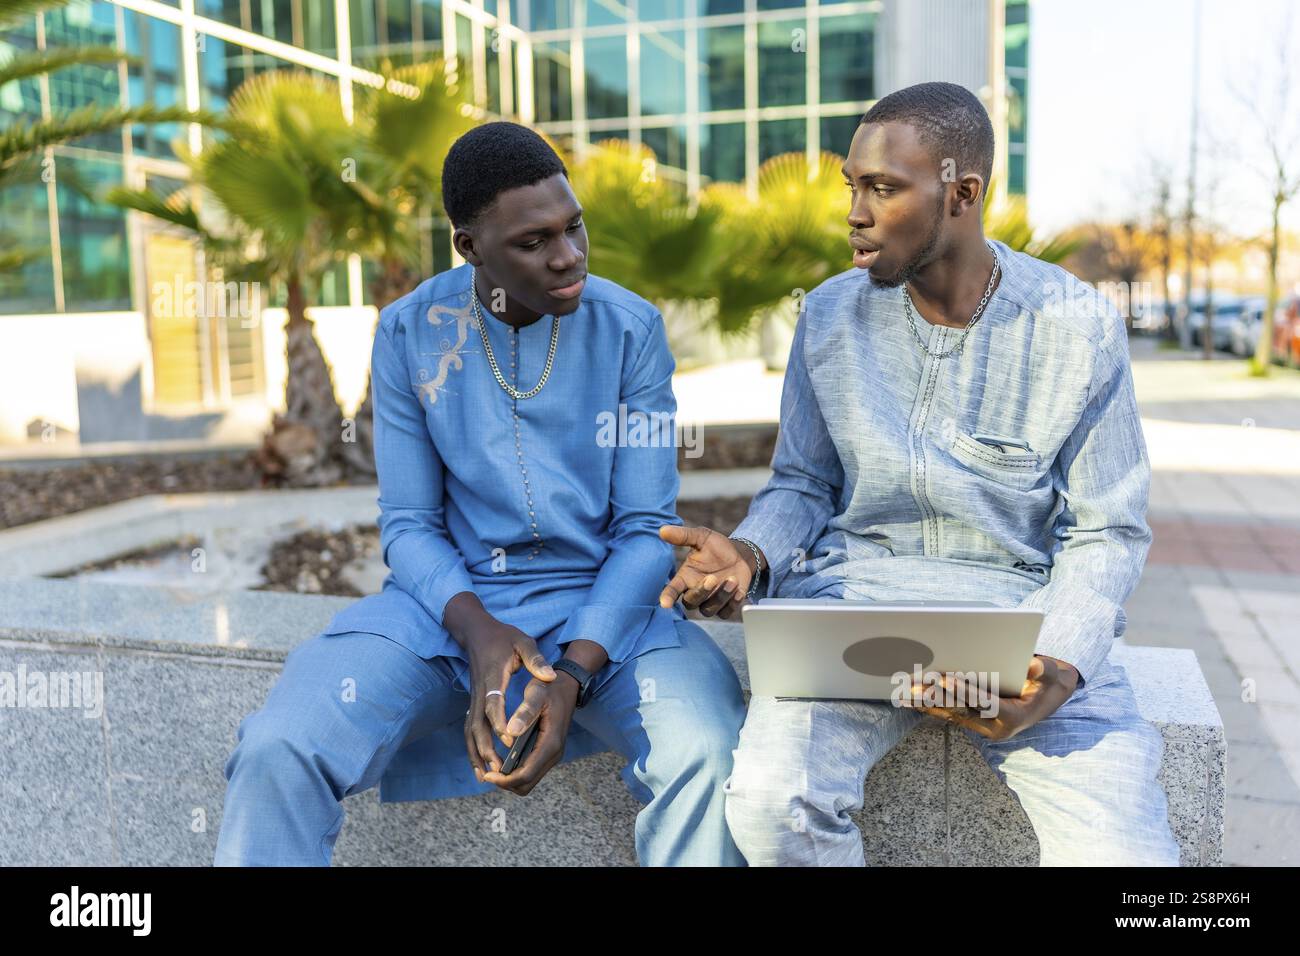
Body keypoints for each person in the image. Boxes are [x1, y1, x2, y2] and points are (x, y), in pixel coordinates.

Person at [659, 82, 1182, 867]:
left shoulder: (1077, 325)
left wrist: (1063, 665)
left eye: (884, 188)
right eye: (853, 187)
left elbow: (1107, 528)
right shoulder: (828, 316)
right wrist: (754, 554)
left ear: (961, 194)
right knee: (771, 805)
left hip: (1026, 621)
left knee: (1129, 862)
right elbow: (803, 483)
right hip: (853, 609)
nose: (855, 214)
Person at [215, 122, 747, 867]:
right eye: (534, 243)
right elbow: (406, 525)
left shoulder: (631, 330)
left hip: (609, 613)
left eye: (574, 228)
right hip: (448, 610)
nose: (568, 257)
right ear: (470, 248)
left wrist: (572, 674)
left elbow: (646, 530)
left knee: (707, 751)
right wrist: (478, 630)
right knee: (279, 746)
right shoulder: (408, 333)